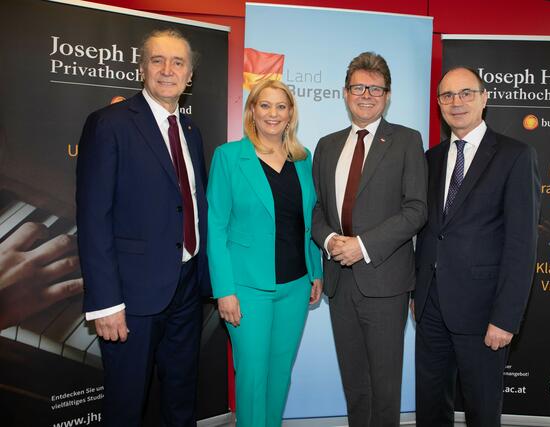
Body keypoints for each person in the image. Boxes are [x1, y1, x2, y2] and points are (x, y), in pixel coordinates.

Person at [76, 29, 210, 427]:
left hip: (186, 287)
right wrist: (106, 303)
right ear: (142, 68)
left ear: (189, 77)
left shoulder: (191, 132)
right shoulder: (109, 124)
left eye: (178, 63)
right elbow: (93, 217)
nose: (167, 70)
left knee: (181, 399)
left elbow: (191, 205)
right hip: (132, 297)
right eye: (158, 60)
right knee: (126, 406)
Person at [413, 67, 541, 426]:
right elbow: (429, 231)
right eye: (448, 96)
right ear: (439, 104)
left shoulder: (516, 156)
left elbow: (522, 244)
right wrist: (416, 292)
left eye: (466, 93)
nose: (457, 103)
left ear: (485, 98)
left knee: (482, 411)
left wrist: (505, 318)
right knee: (431, 406)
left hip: (485, 313)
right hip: (431, 306)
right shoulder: (432, 158)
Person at [311, 51, 427, 427]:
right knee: (354, 384)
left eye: (375, 88)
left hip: (385, 281)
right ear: (345, 93)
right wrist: (330, 242)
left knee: (385, 385)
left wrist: (361, 245)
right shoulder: (326, 145)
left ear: (388, 95)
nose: (367, 94)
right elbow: (315, 210)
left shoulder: (407, 141)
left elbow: (416, 210)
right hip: (340, 283)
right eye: (359, 87)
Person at [207, 79, 323, 427]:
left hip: (296, 285)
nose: (273, 114)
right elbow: (216, 227)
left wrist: (315, 270)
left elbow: (307, 220)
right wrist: (224, 290)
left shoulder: (303, 159)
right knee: (253, 376)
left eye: (281, 106)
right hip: (246, 288)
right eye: (265, 105)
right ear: (252, 112)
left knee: (279, 375)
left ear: (291, 114)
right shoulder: (229, 157)